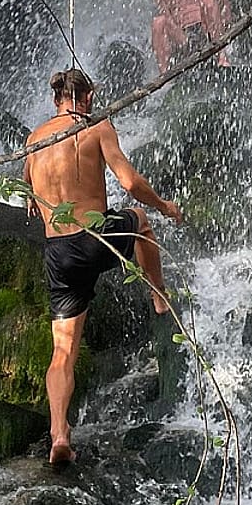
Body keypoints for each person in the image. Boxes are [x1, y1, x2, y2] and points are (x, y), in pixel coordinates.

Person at [23, 68, 184, 467]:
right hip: (95, 238)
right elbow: (129, 183)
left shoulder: (33, 140)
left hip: (57, 251)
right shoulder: (96, 126)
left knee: (63, 352)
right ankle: (158, 297)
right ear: (89, 96)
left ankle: (59, 432)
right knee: (140, 220)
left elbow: (27, 194)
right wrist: (164, 206)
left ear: (56, 99)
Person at [150, 0, 233, 72]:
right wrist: (181, 38)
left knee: (207, 1)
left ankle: (222, 57)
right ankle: (164, 75)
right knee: (158, 22)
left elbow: (223, 2)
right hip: (182, 36)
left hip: (206, 30)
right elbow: (168, 18)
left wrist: (227, 27)